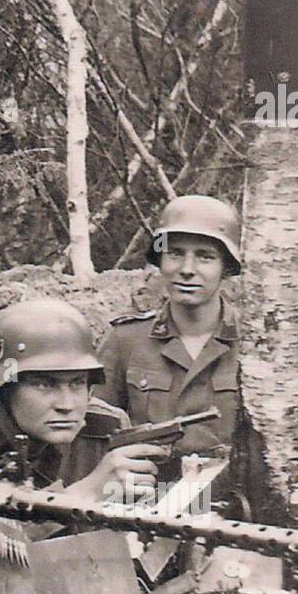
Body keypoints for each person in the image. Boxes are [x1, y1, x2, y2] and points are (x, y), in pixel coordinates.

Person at [0, 298, 161, 562]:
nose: (67, 405)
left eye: (78, 383)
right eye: (44, 385)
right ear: (3, 388)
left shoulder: (107, 427)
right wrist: (80, 496)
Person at [94, 194, 255, 511]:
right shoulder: (125, 341)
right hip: (140, 510)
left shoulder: (257, 346)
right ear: (160, 261)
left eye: (205, 257)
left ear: (226, 267)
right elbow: (91, 439)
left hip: (233, 516)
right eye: (176, 254)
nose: (187, 269)